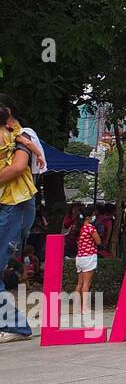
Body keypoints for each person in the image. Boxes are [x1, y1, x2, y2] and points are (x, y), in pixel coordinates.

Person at [0, 99, 40, 270]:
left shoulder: (22, 133)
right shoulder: (13, 134)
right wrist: (40, 155)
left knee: (3, 249)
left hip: (17, 199)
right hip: (11, 198)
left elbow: (18, 167)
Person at [72, 206, 101, 319]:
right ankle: (85, 307)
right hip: (89, 257)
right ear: (89, 217)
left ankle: (76, 307)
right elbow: (98, 241)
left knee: (79, 283)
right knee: (86, 284)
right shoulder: (90, 228)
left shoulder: (78, 228)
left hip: (80, 257)